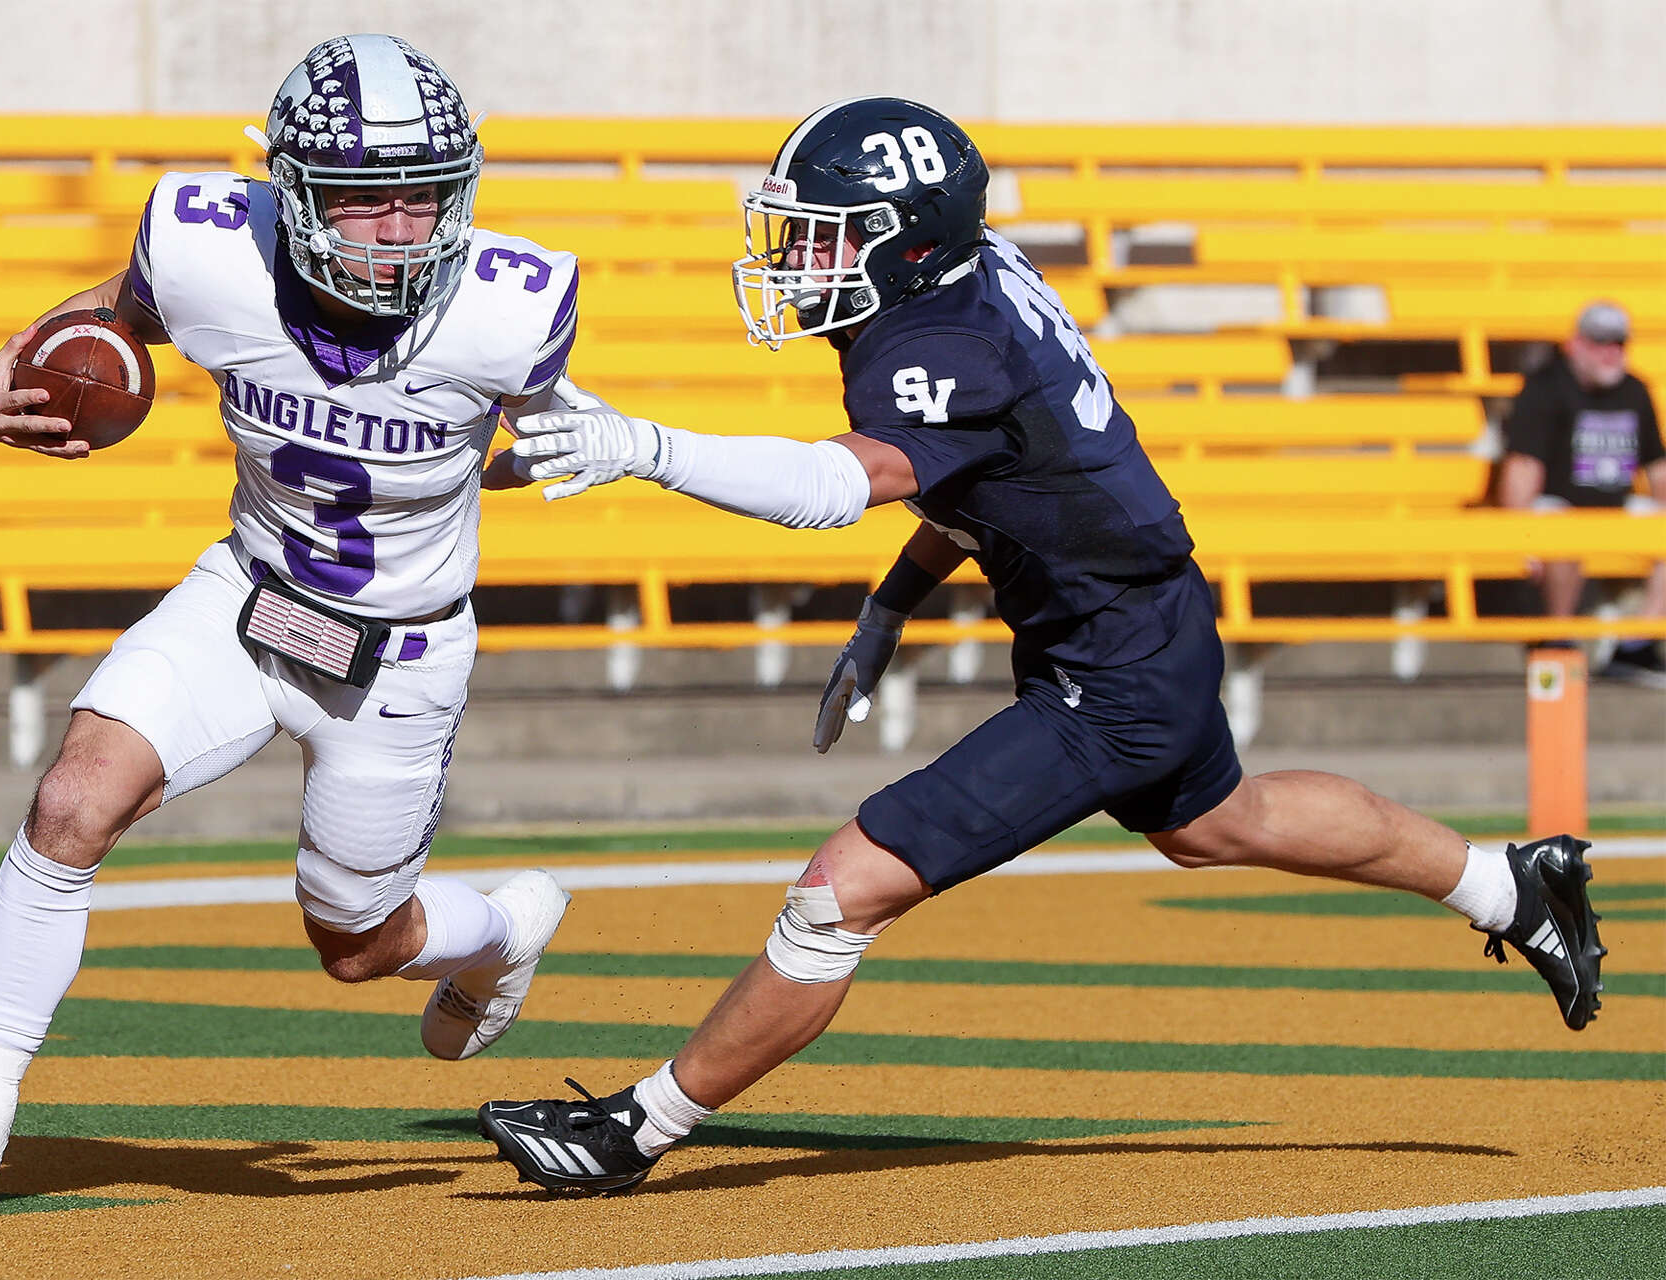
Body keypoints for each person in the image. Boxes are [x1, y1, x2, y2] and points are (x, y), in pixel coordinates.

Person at [473, 98, 1609, 1195]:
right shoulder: (965, 284)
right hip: (1136, 618)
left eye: (826, 234)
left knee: (840, 889)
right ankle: (1509, 883)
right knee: (1218, 823)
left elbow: (840, 483)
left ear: (906, 242)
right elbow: (992, 473)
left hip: (1110, 660)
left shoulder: (941, 335)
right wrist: (892, 606)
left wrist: (640, 444)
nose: (799, 257)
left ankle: (639, 1126)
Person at [0, 34, 602, 1203]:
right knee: (70, 801)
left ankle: (502, 930)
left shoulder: (510, 307)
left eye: (425, 198)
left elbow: (545, 426)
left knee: (355, 943)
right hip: (247, 595)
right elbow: (111, 314)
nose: (400, 231)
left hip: (396, 651)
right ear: (294, 193)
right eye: (365, 200)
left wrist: (549, 454)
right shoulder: (211, 245)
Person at [1499, 300, 1666, 688]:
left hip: (1614, 506)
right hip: (1557, 504)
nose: (1610, 353)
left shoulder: (1634, 390)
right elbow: (1523, 467)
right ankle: (1557, 636)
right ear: (1576, 344)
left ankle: (1639, 644)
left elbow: (1658, 467)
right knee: (1562, 528)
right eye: (1600, 342)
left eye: (1618, 343)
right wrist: (1520, 538)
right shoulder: (1545, 387)